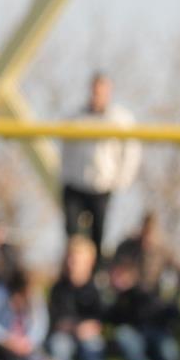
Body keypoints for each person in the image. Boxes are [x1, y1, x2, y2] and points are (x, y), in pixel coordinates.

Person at [59, 72, 141, 253]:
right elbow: (65, 150)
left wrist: (121, 180)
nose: (97, 95)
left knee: (99, 234)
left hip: (102, 184)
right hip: (75, 182)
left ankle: (96, 266)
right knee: (72, 233)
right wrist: (65, 175)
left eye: (102, 91)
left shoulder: (120, 119)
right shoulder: (76, 117)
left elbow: (131, 153)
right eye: (95, 91)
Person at [46, 235, 109, 360]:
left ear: (90, 262)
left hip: (88, 335)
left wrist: (93, 326)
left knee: (93, 344)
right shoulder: (58, 288)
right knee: (58, 344)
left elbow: (101, 317)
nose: (73, 264)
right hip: (65, 334)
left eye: (78, 261)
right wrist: (72, 327)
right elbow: (55, 318)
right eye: (71, 259)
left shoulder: (97, 288)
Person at [0, 270, 49, 360]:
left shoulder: (35, 296)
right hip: (1, 346)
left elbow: (41, 324)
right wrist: (5, 339)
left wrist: (29, 341)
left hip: (26, 346)